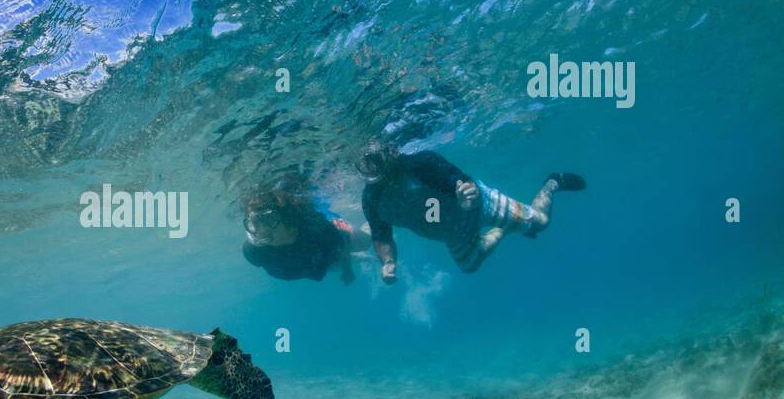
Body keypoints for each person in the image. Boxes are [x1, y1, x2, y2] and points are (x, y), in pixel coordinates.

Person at [357, 140, 585, 283]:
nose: (376, 168)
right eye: (369, 163)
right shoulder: (371, 199)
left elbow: (466, 184)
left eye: (378, 159)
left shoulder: (423, 163)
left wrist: (468, 194)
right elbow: (381, 236)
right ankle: (503, 229)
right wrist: (387, 261)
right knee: (470, 266)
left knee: (541, 222)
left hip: (481, 208)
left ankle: (553, 183)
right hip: (454, 235)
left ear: (393, 152)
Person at [242, 187, 365, 284]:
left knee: (363, 242)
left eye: (269, 220)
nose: (261, 229)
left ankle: (374, 229)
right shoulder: (253, 251)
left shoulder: (317, 230)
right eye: (255, 222)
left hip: (329, 252)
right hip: (320, 265)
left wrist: (347, 270)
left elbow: (340, 249)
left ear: (290, 224)